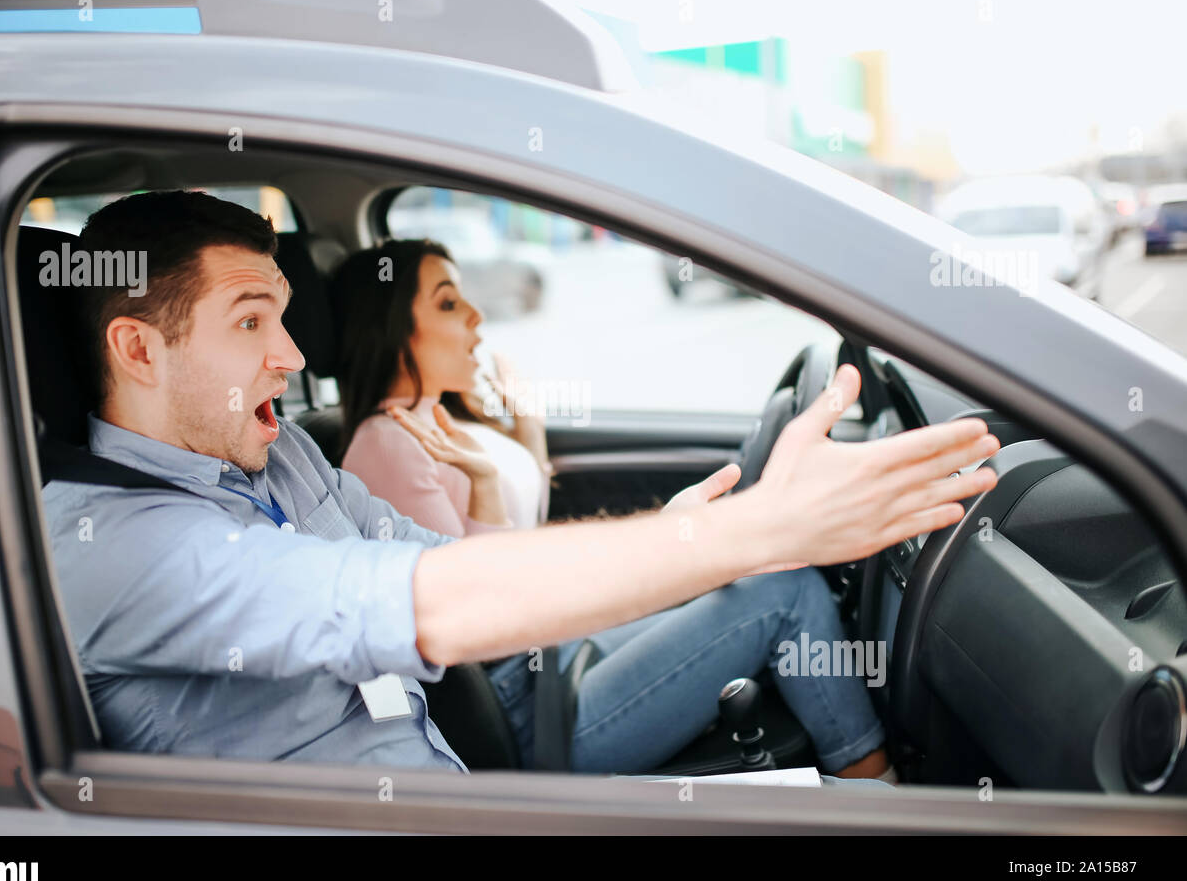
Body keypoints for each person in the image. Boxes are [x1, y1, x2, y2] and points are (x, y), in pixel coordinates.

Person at [41, 190, 999, 779]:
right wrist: (746, 534)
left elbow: (439, 562)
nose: (292, 356)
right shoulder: (105, 543)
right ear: (138, 349)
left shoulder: (278, 455)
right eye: (251, 323)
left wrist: (669, 544)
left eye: (285, 319)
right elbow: (411, 604)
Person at [334, 238, 900, 777]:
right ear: (391, 324)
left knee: (746, 578)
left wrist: (527, 429)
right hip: (526, 710)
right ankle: (883, 790)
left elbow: (520, 532)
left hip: (548, 659)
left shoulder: (438, 420)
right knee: (787, 594)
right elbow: (470, 616)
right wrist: (658, 559)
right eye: (450, 303)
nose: (478, 316)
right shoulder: (387, 444)